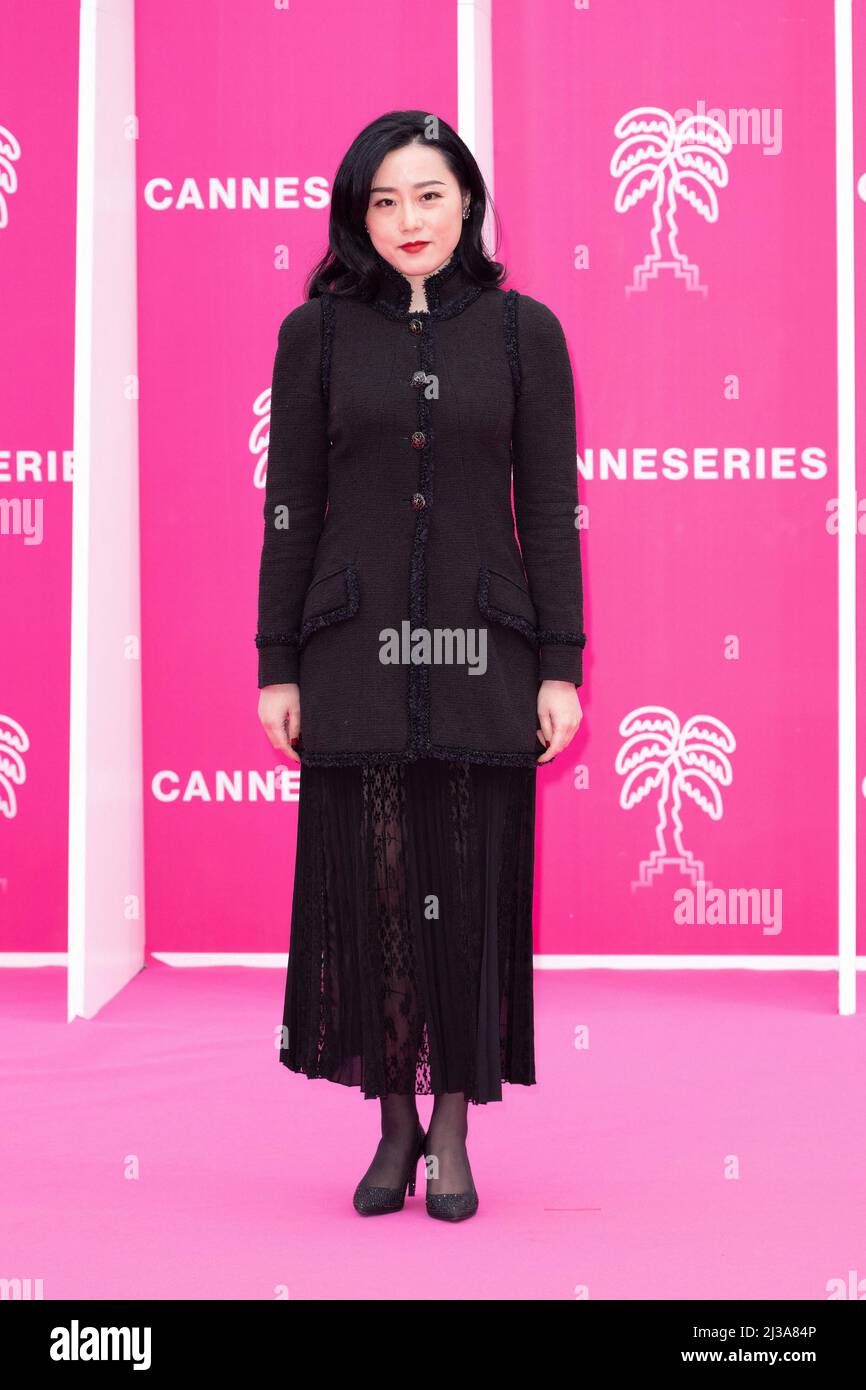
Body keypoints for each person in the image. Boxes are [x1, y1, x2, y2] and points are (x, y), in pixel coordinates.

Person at [256, 110, 587, 1223]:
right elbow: (288, 513)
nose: (408, 219)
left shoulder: (521, 333)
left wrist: (558, 662)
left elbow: (546, 513)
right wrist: (277, 663)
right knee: (378, 886)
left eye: (430, 195)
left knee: (466, 884)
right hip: (348, 652)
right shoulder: (316, 336)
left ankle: (451, 1129)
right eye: (385, 199)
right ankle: (391, 1123)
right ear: (358, 212)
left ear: (468, 204)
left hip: (484, 652)